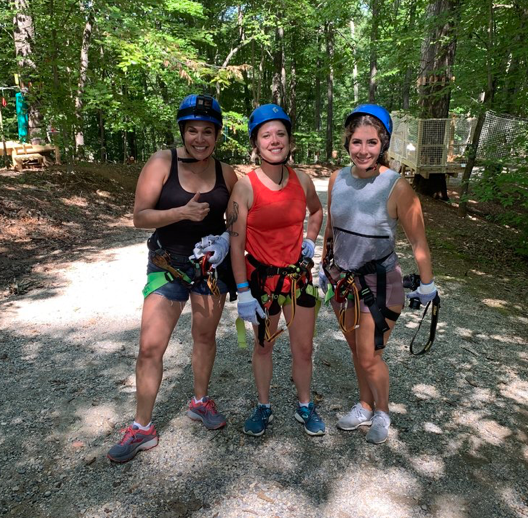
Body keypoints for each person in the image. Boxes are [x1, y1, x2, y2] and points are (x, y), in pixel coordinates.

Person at [107, 94, 238, 463]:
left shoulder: (227, 173)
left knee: (204, 337)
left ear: (217, 135)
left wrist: (227, 240)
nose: (200, 138)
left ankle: (199, 401)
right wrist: (181, 212)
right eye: (193, 130)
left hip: (210, 271)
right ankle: (142, 426)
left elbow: (242, 218)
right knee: (150, 346)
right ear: (183, 132)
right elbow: (140, 217)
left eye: (207, 131)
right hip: (167, 266)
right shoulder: (162, 162)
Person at [319, 104, 437, 444]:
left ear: (382, 144)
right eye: (357, 142)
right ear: (347, 142)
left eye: (372, 142)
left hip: (378, 284)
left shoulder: (397, 188)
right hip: (342, 281)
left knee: (370, 354)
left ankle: (383, 412)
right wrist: (324, 266)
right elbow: (332, 227)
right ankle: (365, 405)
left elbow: (418, 240)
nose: (363, 150)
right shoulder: (337, 179)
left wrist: (427, 284)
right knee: (357, 350)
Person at [227, 104, 325, 437]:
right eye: (266, 135)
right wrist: (242, 291)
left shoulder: (302, 180)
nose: (274, 140)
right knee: (264, 346)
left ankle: (304, 405)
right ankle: (264, 406)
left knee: (304, 348)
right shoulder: (245, 187)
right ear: (255, 144)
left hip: (298, 280)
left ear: (289, 140)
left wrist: (310, 240)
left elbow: (316, 212)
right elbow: (235, 242)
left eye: (280, 133)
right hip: (263, 283)